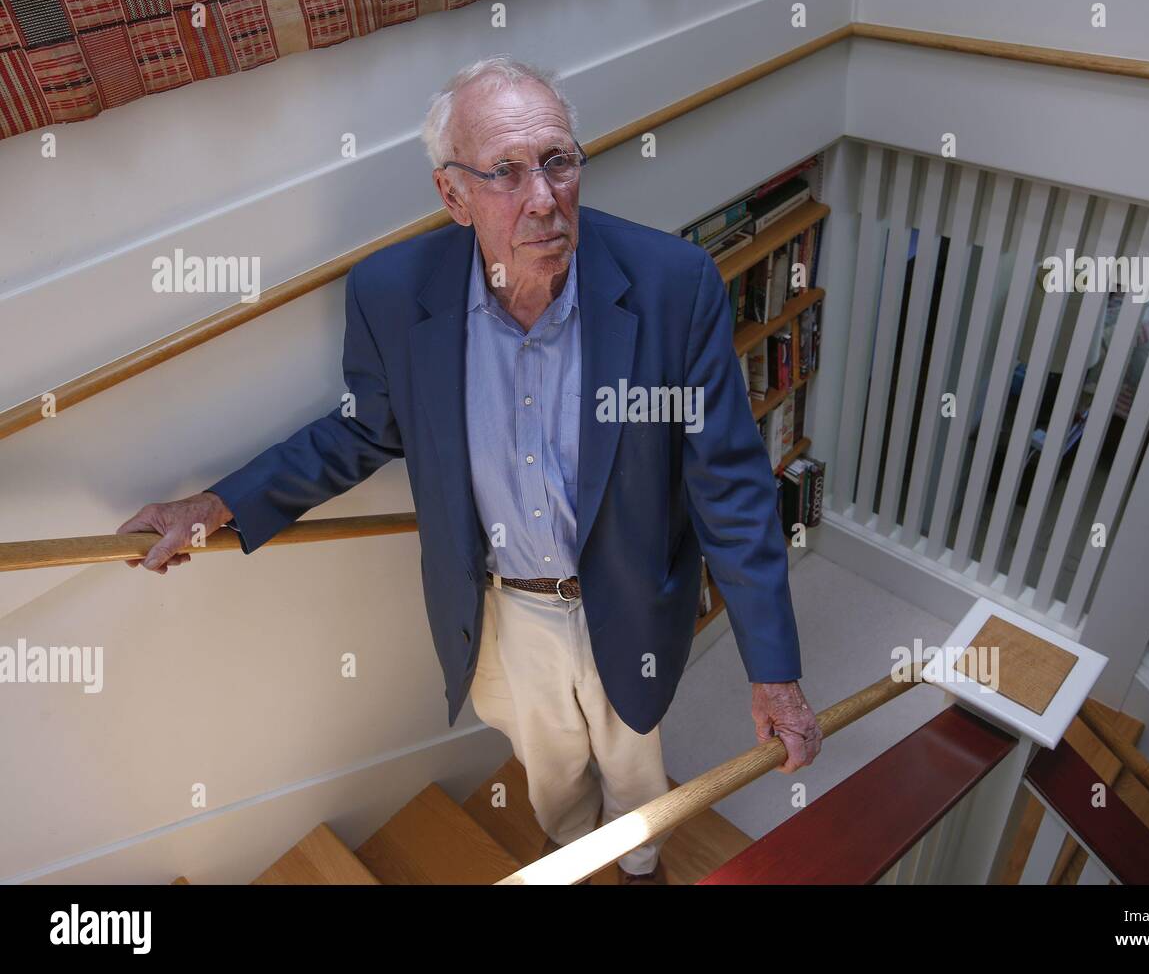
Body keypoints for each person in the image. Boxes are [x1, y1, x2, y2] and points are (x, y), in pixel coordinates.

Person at [117, 55, 822, 884]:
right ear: (453, 196)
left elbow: (732, 490)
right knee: (549, 769)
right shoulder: (392, 294)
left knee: (636, 764)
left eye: (559, 162)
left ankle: (641, 863)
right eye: (506, 173)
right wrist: (220, 503)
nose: (544, 198)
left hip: (629, 596)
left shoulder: (675, 286)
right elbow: (360, 433)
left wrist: (774, 671)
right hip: (502, 612)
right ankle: (569, 852)